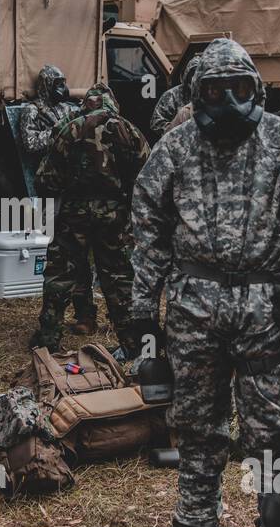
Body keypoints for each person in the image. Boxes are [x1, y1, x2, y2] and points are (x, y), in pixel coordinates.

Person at [130, 38, 280, 527]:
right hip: (194, 306)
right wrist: (142, 312)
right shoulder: (174, 147)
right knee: (197, 421)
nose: (227, 102)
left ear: (257, 90)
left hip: (266, 308)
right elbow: (147, 227)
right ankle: (197, 521)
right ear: (195, 94)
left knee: (271, 428)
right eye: (214, 91)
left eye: (239, 90)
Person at [30, 83, 148, 352]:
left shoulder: (69, 129)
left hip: (74, 214)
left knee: (60, 275)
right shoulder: (129, 130)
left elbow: (45, 180)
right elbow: (146, 179)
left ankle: (49, 338)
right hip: (115, 215)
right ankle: (131, 342)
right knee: (119, 277)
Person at [17, 64, 97, 334]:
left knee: (81, 253)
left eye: (64, 82)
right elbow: (28, 143)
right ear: (45, 85)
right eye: (57, 83)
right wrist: (58, 135)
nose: (62, 88)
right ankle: (52, 319)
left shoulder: (71, 108)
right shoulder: (32, 110)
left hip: (76, 187)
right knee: (56, 254)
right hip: (51, 187)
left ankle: (85, 312)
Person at [149, 56, 198, 137]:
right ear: (187, 75)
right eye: (192, 74)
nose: (194, 79)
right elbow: (156, 123)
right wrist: (175, 129)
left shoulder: (209, 95)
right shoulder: (172, 95)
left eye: (198, 75)